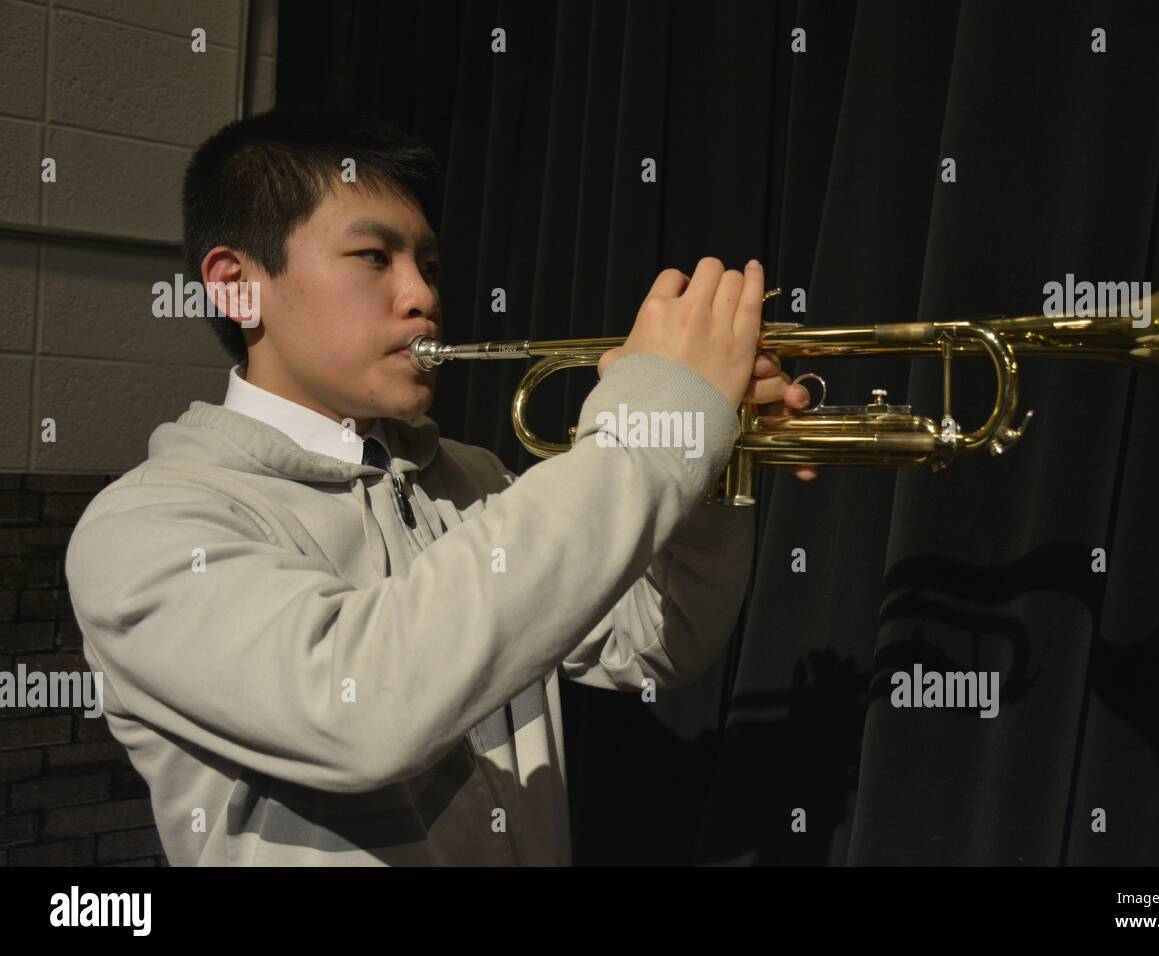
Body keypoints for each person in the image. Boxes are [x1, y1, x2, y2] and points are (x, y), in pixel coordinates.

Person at [65, 108, 812, 865]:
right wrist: (653, 424)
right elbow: (360, 709)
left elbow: (655, 647)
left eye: (429, 264)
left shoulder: (469, 476)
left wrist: (703, 465)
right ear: (237, 287)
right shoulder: (145, 525)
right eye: (373, 257)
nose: (422, 293)